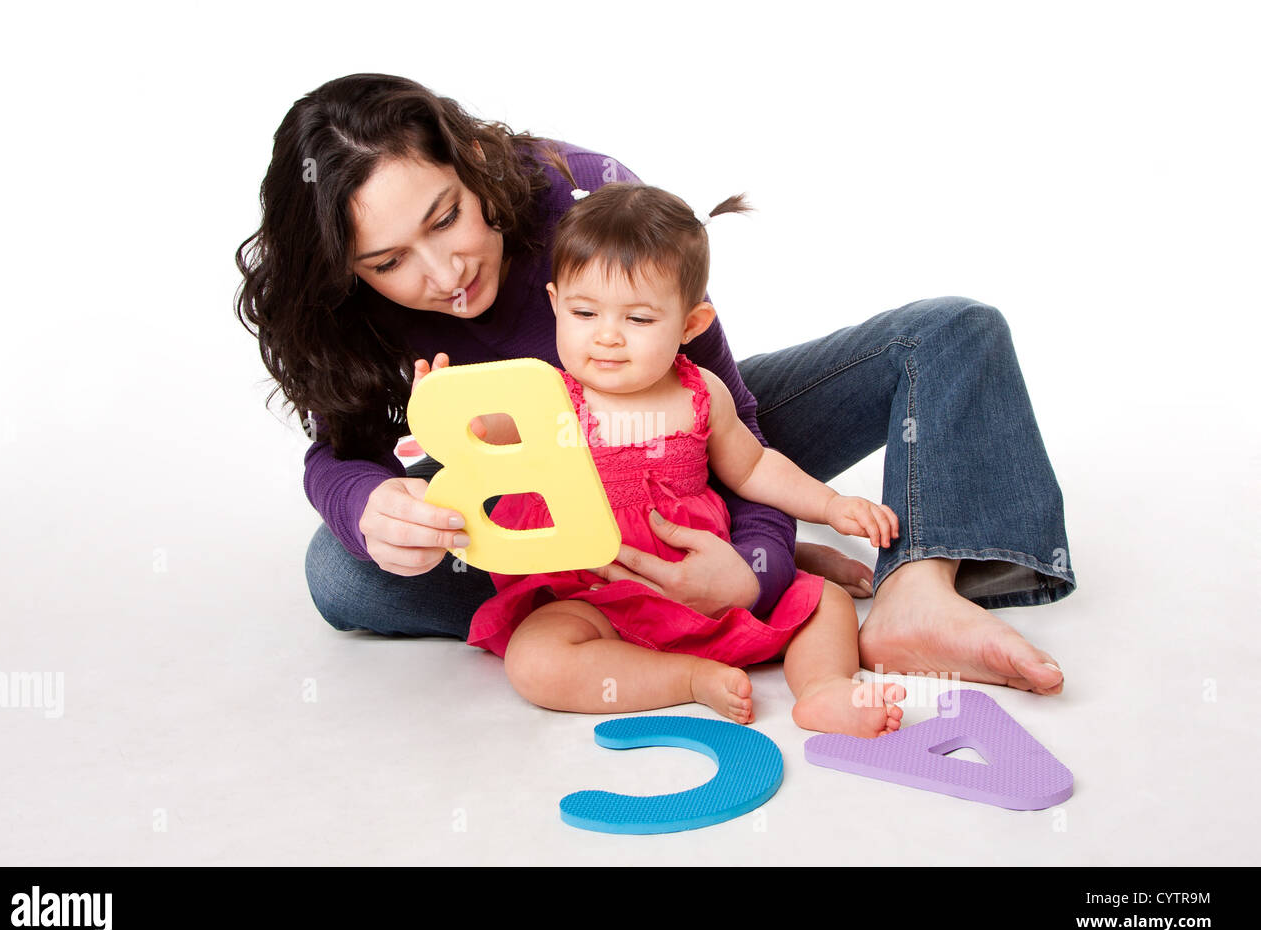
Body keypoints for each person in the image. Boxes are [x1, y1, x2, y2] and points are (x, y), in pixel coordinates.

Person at [234, 74, 1073, 700]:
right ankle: (631, 615)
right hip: (551, 527)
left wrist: (754, 561)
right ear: (345, 271)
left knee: (950, 333)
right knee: (341, 574)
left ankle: (915, 590)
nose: (443, 272)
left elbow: (733, 417)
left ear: (474, 164)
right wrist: (371, 506)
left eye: (446, 217)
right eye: (387, 264)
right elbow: (341, 453)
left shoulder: (579, 194)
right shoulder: (345, 313)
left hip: (685, 454)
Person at [403, 177, 905, 734]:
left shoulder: (701, 393)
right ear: (555, 305)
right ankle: (687, 678)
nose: (608, 337)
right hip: (594, 595)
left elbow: (756, 467)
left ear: (691, 324)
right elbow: (482, 431)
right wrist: (440, 409)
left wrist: (831, 504)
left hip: (702, 583)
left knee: (826, 605)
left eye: (638, 319)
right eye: (585, 313)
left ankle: (824, 688)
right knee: (535, 660)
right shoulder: (552, 397)